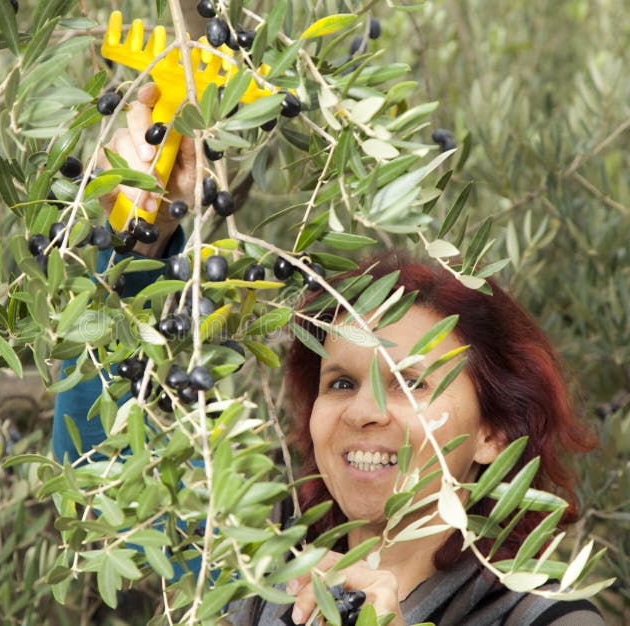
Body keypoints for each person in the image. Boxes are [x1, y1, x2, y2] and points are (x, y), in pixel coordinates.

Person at [53, 86, 605, 625]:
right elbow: (101, 464)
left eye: (410, 382)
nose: (363, 411)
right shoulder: (255, 567)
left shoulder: (545, 618)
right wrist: (141, 238)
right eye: (340, 382)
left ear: (494, 435)